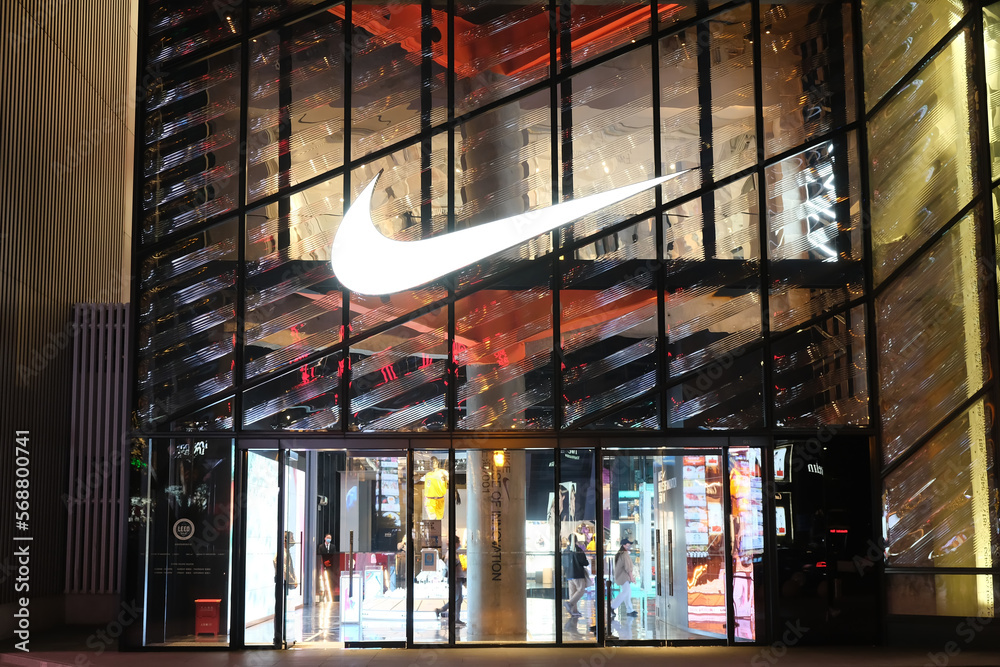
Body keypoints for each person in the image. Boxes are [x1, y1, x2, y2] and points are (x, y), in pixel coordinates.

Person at [435, 535, 466, 627]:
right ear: (455, 544)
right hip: (455, 579)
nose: (459, 544)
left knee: (457, 598)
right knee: (458, 598)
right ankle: (451, 616)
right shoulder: (451, 553)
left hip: (457, 578)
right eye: (458, 542)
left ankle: (443, 612)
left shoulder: (453, 552)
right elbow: (451, 567)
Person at [562, 534, 590, 617]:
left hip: (569, 575)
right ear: (576, 540)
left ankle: (573, 611)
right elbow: (585, 562)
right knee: (581, 590)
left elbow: (564, 564)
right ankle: (570, 604)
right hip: (578, 573)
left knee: (572, 592)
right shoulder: (578, 550)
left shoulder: (565, 551)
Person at [610, 538, 637, 619]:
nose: (630, 545)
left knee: (627, 592)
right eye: (628, 544)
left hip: (621, 576)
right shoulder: (624, 554)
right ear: (624, 545)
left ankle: (630, 610)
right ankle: (612, 606)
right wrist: (632, 577)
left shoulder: (621, 553)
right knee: (626, 592)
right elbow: (628, 568)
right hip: (623, 577)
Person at [317, 534, 334, 601]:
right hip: (322, 564)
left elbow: (333, 555)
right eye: (327, 538)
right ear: (325, 538)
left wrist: (328, 561)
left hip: (330, 565)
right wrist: (324, 562)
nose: (328, 539)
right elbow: (319, 555)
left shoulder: (333, 546)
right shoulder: (321, 546)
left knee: (330, 578)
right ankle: (322, 593)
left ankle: (330, 594)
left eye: (330, 538)